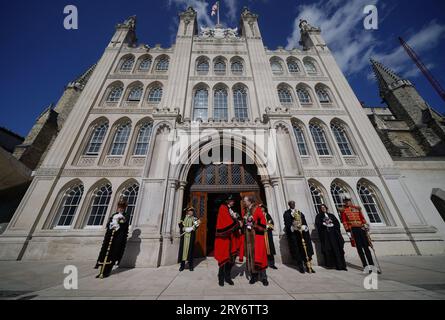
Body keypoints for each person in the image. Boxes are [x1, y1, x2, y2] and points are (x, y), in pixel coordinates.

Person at [95, 200, 130, 278]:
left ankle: (107, 271)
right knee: (104, 253)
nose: (120, 209)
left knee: (112, 254)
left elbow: (124, 225)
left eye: (122, 208)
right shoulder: (114, 215)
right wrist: (111, 226)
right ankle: (101, 271)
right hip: (110, 236)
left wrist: (119, 224)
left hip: (117, 238)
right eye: (119, 207)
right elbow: (108, 224)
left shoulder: (126, 215)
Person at [340, 194, 374, 272]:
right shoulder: (344, 211)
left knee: (366, 248)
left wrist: (365, 225)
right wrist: (347, 231)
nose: (348, 202)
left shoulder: (357, 209)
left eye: (348, 201)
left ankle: (372, 266)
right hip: (353, 230)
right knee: (359, 249)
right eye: (346, 201)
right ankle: (365, 266)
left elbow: (362, 218)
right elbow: (344, 221)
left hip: (361, 229)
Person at [214, 194, 241, 286]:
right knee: (223, 258)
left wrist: (236, 218)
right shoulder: (223, 207)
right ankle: (221, 278)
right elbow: (226, 222)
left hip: (231, 237)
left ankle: (227, 277)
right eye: (232, 200)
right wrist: (237, 223)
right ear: (227, 201)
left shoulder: (230, 209)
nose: (233, 201)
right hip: (224, 238)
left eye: (233, 200)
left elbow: (232, 220)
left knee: (231, 259)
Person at [242, 195, 269, 286]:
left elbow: (263, 223)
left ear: (250, 201)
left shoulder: (257, 209)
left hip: (257, 237)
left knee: (260, 256)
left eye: (245, 201)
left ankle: (264, 277)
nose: (244, 203)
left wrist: (254, 225)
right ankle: (254, 276)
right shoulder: (245, 210)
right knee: (251, 256)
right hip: (248, 238)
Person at [283, 201, 315, 273]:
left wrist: (304, 226)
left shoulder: (299, 212)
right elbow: (287, 223)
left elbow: (303, 221)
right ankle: (300, 267)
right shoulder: (287, 213)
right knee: (298, 251)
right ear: (289, 205)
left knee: (306, 250)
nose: (293, 205)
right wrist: (292, 227)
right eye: (291, 204)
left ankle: (308, 266)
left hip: (302, 235)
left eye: (294, 204)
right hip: (295, 236)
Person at [315, 204, 347, 271]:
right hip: (326, 236)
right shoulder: (319, 216)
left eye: (324, 207)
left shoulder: (331, 215)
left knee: (338, 249)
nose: (323, 209)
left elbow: (337, 223)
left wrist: (333, 225)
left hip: (334, 235)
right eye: (322, 208)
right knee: (329, 249)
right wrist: (323, 224)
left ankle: (342, 265)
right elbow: (318, 224)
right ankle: (333, 265)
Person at [178, 207, 200, 272]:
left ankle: (191, 266)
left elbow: (197, 225)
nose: (191, 212)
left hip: (191, 237)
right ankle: (182, 266)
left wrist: (192, 228)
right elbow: (180, 225)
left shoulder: (195, 218)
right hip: (184, 237)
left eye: (192, 211)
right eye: (189, 211)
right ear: (187, 212)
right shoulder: (183, 217)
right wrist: (184, 229)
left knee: (190, 252)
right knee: (183, 252)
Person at [259, 204, 277, 269]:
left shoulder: (267, 215)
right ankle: (264, 263)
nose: (261, 209)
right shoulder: (259, 215)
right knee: (262, 250)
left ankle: (272, 264)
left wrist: (267, 225)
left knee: (270, 249)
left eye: (262, 208)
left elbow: (271, 223)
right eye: (260, 208)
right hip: (261, 234)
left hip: (268, 234)